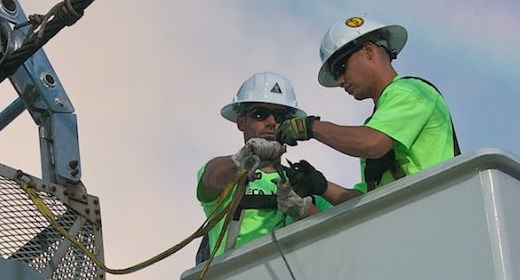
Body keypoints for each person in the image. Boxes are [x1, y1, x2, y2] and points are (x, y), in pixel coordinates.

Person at [275, 16, 458, 202]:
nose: (339, 81)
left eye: (340, 68)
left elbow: (372, 143)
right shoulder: (375, 124)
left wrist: (312, 127)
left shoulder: (411, 92)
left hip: (435, 215)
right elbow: (366, 199)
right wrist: (320, 185)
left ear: (369, 50)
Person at [196, 72, 332, 258]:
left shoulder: (304, 182)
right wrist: (241, 160)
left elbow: (336, 233)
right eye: (260, 114)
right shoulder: (228, 173)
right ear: (241, 122)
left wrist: (304, 209)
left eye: (280, 116)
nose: (271, 123)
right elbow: (211, 177)